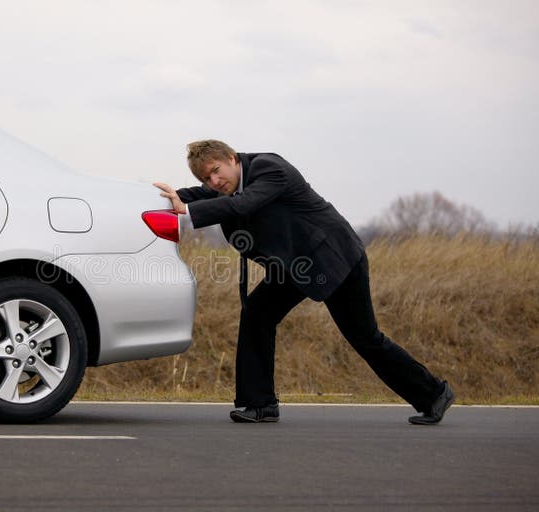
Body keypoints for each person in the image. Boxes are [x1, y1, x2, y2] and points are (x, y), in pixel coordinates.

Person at [154, 140, 454, 424]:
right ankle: (260, 405)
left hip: (335, 259)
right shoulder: (228, 185)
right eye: (207, 178)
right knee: (258, 313)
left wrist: (188, 212)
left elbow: (244, 205)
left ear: (232, 158)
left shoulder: (270, 169)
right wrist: (155, 198)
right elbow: (198, 196)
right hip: (296, 267)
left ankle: (434, 394)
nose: (214, 182)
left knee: (365, 338)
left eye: (216, 171)